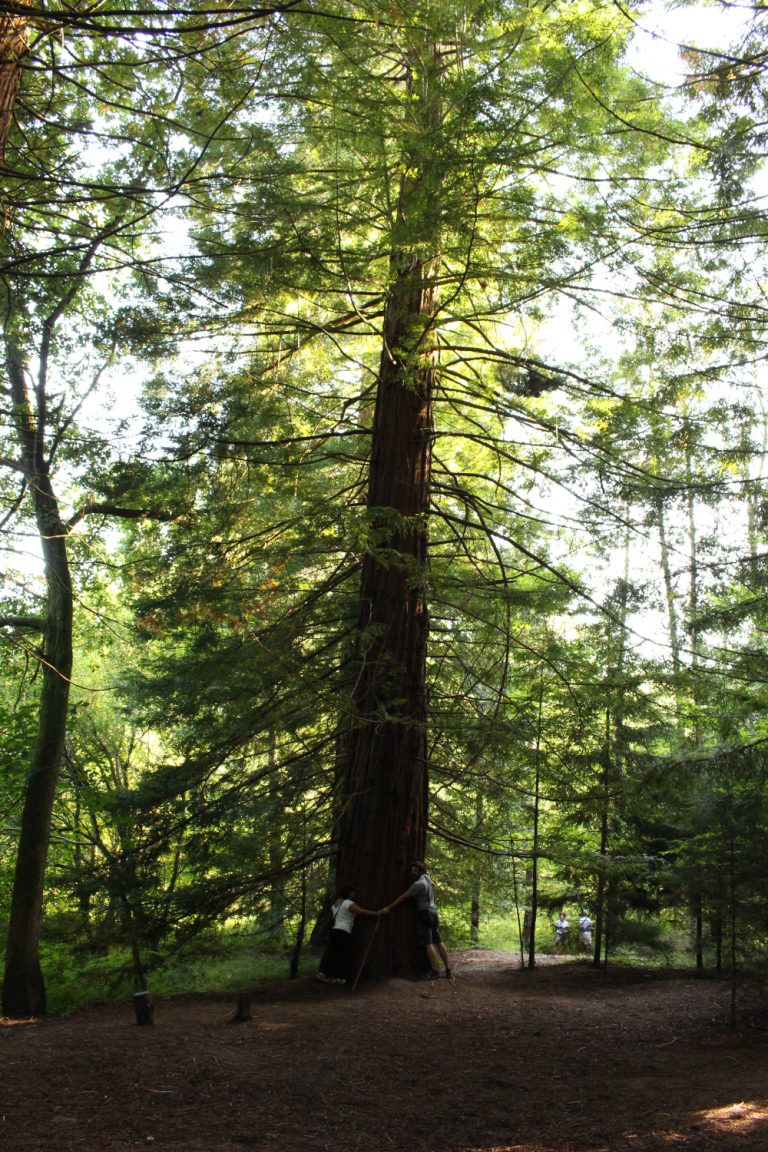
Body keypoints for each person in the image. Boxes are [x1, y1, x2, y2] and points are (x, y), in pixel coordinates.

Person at [381, 861, 452, 980]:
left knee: (428, 943)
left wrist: (389, 907)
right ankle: (448, 969)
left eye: (415, 871)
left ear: (420, 872)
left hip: (424, 913)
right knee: (438, 941)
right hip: (434, 911)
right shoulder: (427, 878)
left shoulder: (418, 884)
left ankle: (435, 971)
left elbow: (403, 897)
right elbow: (433, 885)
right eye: (412, 870)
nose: (412, 872)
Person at [316, 886, 379, 985]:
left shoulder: (336, 903)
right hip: (343, 931)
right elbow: (361, 911)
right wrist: (376, 913)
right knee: (340, 954)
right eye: (352, 893)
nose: (354, 894)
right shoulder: (347, 903)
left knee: (333, 953)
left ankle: (324, 974)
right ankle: (337, 977)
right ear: (349, 893)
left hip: (335, 930)